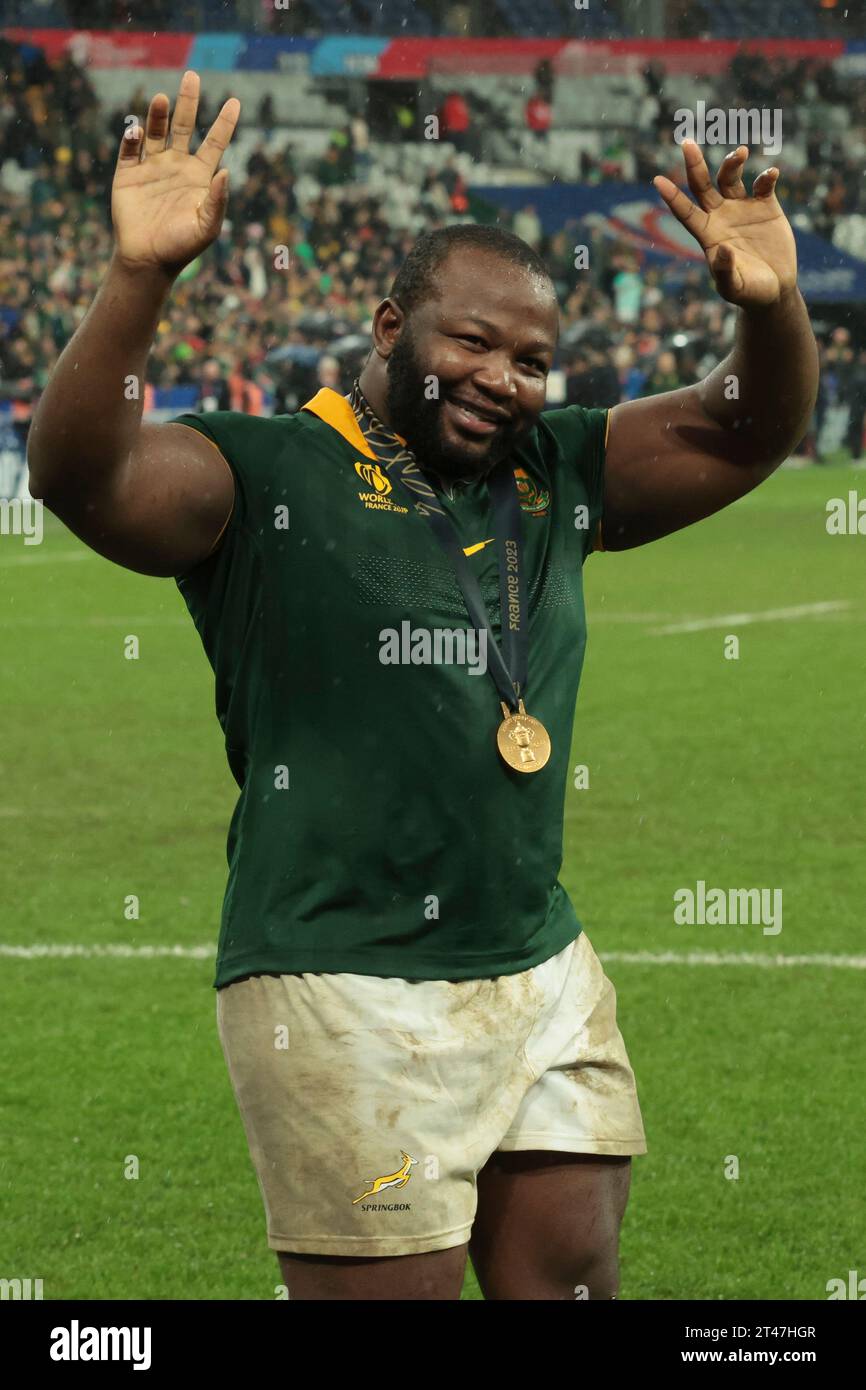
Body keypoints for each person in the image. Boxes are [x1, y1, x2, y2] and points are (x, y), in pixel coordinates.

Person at [27, 75, 818, 1301]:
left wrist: (769, 313)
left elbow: (745, 427)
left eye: (534, 359)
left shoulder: (558, 468)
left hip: (535, 959)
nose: (506, 378)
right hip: (339, 975)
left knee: (573, 1286)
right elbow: (84, 477)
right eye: (474, 343)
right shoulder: (265, 468)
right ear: (391, 328)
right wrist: (140, 279)